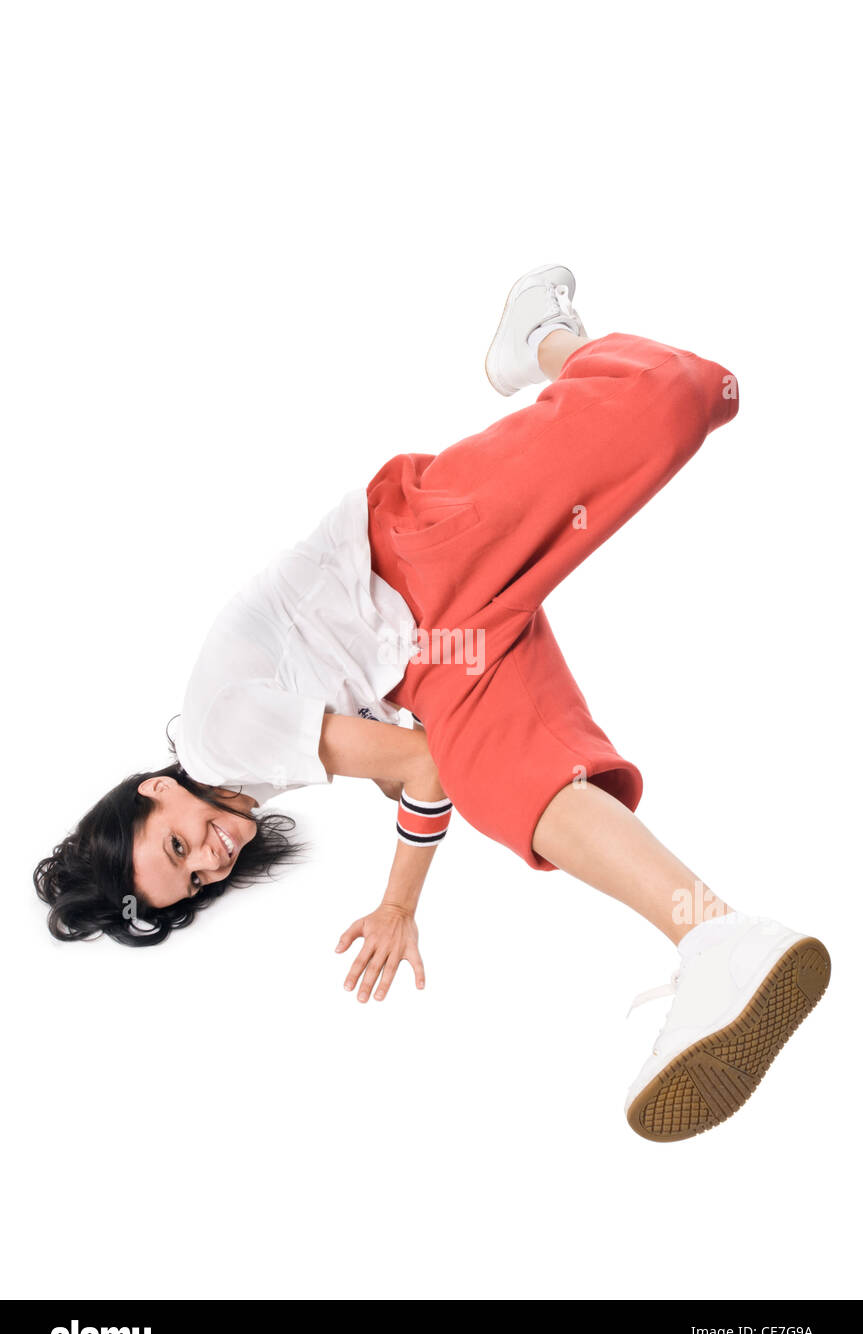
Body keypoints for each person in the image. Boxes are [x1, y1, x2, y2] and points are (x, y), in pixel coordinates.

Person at [34, 262, 831, 1142]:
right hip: (432, 660)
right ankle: (716, 941)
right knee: (519, 795)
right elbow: (420, 761)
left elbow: (421, 765)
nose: (209, 860)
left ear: (154, 790)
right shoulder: (250, 778)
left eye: (177, 845)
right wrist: (400, 818)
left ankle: (540, 339)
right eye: (194, 881)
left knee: (681, 396)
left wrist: (399, 900)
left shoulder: (220, 740)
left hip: (413, 553)